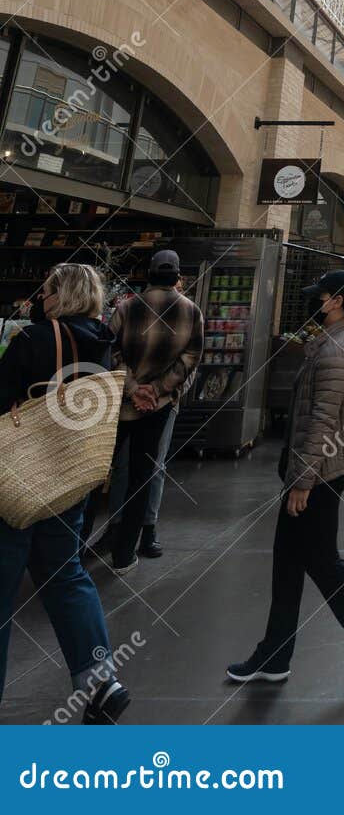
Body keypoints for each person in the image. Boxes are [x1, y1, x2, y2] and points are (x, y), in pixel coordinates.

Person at [227, 271, 344, 694]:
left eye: (319, 297)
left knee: (321, 560)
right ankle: (275, 654)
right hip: (310, 468)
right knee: (288, 559)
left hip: (320, 472)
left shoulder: (338, 347)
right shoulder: (331, 339)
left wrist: (302, 480)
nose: (314, 304)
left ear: (337, 301)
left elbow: (321, 421)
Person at [0, 262, 130, 723]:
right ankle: (101, 681)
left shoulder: (33, 339)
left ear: (62, 295)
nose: (41, 299)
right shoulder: (104, 343)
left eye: (47, 291)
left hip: (18, 479)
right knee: (66, 575)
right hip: (69, 478)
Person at [107, 248, 203, 576]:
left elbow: (112, 351)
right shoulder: (191, 311)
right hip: (160, 406)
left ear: (148, 273)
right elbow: (191, 357)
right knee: (147, 473)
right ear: (177, 276)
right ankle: (133, 544)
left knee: (111, 468)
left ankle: (102, 534)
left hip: (123, 404)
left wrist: (134, 389)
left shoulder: (125, 308)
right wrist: (158, 390)